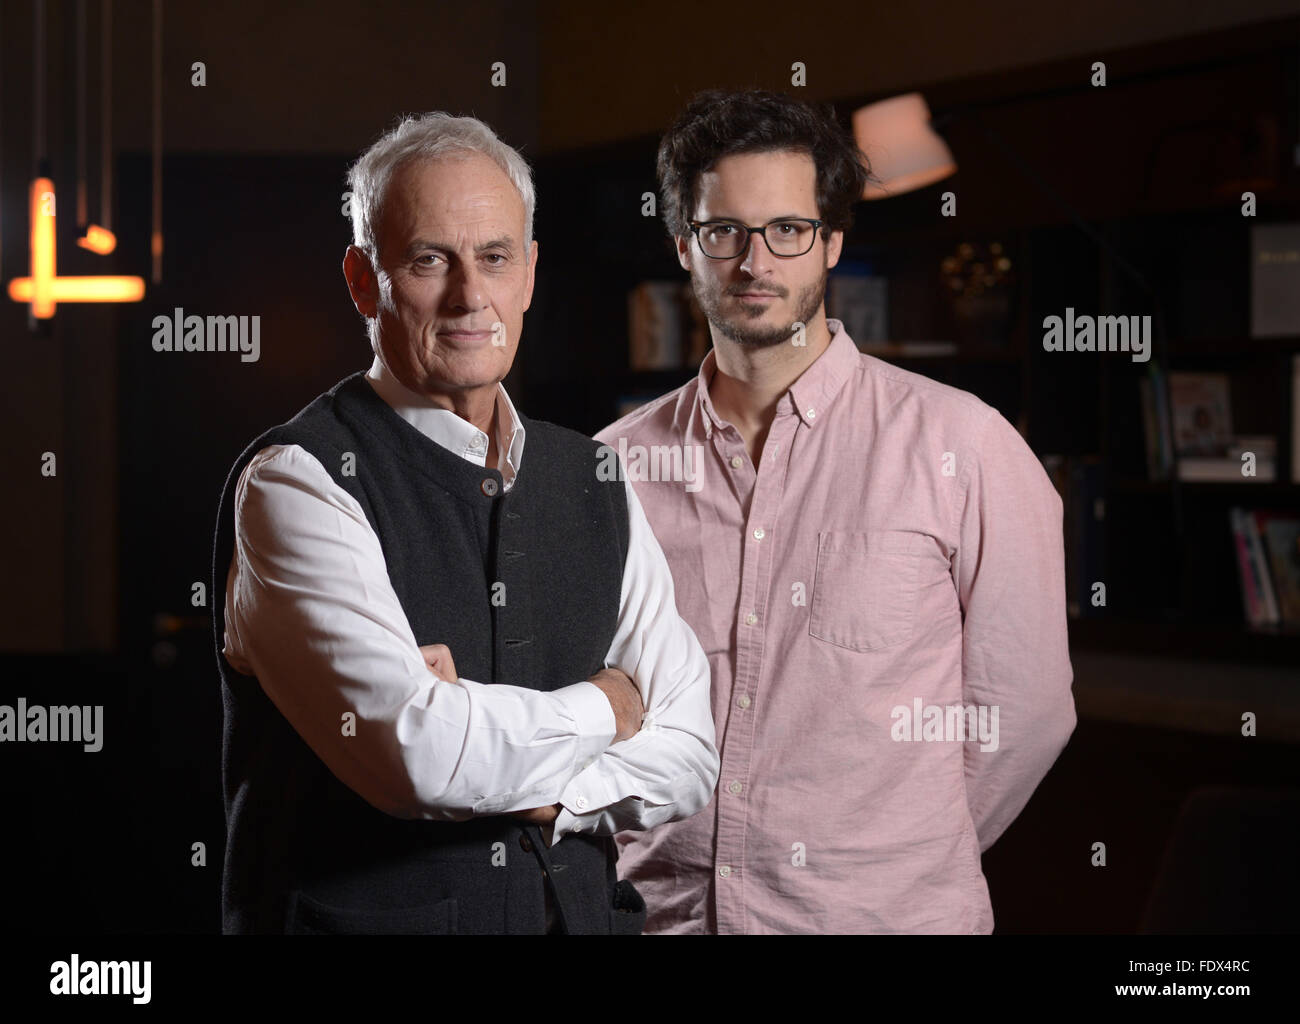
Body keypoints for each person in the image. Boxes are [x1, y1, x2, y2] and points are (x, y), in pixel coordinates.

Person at [211, 112, 719, 935]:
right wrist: (607, 706)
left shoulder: (593, 475)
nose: (468, 296)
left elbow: (692, 756)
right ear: (362, 280)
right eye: (427, 260)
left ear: (529, 274)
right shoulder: (299, 482)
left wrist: (553, 791)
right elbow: (418, 756)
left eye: (494, 257)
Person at [595, 89, 1076, 934]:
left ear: (831, 244)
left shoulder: (963, 443)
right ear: (684, 247)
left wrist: (898, 855)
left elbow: (1025, 709)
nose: (756, 263)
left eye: (788, 230)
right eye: (724, 233)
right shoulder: (612, 468)